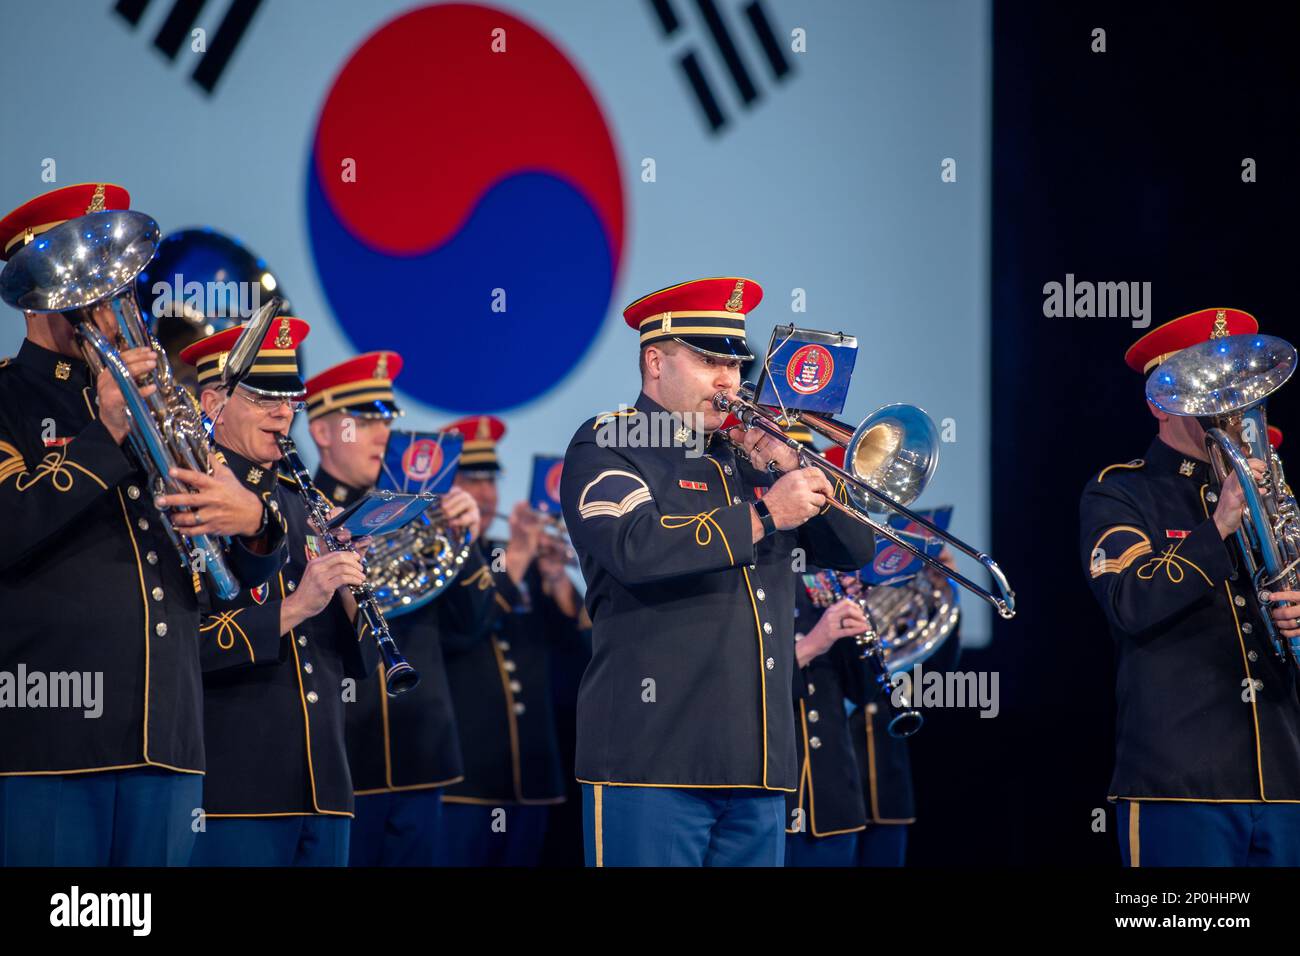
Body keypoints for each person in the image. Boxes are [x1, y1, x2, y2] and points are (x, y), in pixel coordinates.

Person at [0, 184, 286, 866]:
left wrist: (254, 523)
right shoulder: (7, 396)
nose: (113, 298)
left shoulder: (165, 398)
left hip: (170, 738)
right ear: (39, 282)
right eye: (91, 278)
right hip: (52, 739)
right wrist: (105, 432)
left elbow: (239, 574)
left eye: (119, 278)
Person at [560, 276, 878, 866]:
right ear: (655, 362)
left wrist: (794, 461)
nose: (729, 379)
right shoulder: (611, 440)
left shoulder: (748, 456)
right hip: (651, 762)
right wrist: (763, 513)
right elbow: (636, 545)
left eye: (735, 363)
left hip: (758, 767)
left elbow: (857, 548)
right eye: (709, 361)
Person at [1080, 306, 1300, 866]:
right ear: (1160, 401)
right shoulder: (1122, 492)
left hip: (1284, 778)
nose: (1227, 405)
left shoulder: (1274, 493)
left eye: (1236, 386)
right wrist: (1218, 528)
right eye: (1207, 386)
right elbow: (1129, 601)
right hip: (1179, 783)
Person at [181, 316, 379, 866]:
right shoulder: (187, 497)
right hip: (237, 793)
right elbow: (182, 647)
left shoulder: (300, 497)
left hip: (328, 789)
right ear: (213, 400)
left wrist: (347, 586)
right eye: (264, 396)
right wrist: (297, 606)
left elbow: (359, 661)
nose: (283, 412)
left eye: (290, 397)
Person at [302, 352, 491, 866]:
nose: (383, 436)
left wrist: (465, 538)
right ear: (321, 431)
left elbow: (470, 624)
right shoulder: (298, 509)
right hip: (338, 754)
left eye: (386, 421)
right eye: (364, 423)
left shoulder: (410, 508)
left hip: (421, 751)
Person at [436, 416, 582, 866]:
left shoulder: (511, 554)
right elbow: (463, 632)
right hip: (467, 781)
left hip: (534, 779)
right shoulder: (434, 557)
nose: (484, 494)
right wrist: (517, 558)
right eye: (469, 480)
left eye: (489, 481)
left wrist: (557, 578)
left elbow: (581, 660)